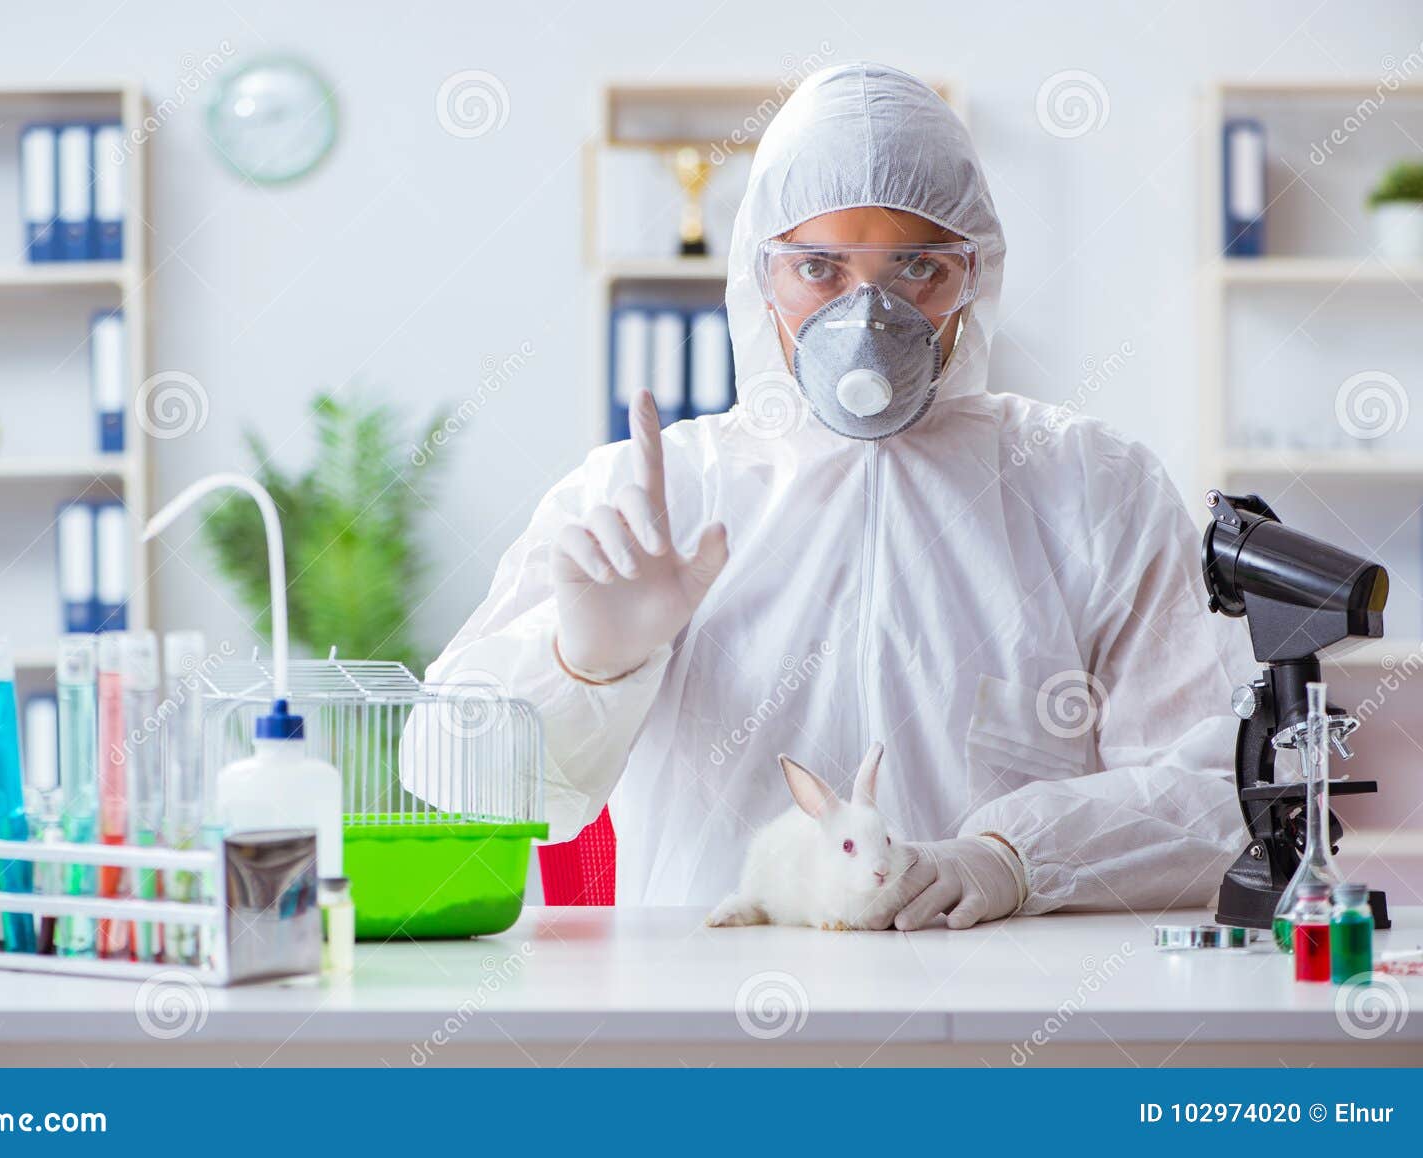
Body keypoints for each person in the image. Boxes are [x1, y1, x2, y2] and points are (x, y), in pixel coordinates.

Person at [426, 62, 1254, 929]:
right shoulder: (656, 494)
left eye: (919, 267)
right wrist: (583, 668)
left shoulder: (1090, 485)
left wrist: (1015, 857)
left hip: (1005, 997)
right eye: (818, 268)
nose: (868, 315)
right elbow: (453, 779)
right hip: (702, 995)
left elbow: (1228, 788)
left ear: (975, 274)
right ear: (762, 277)